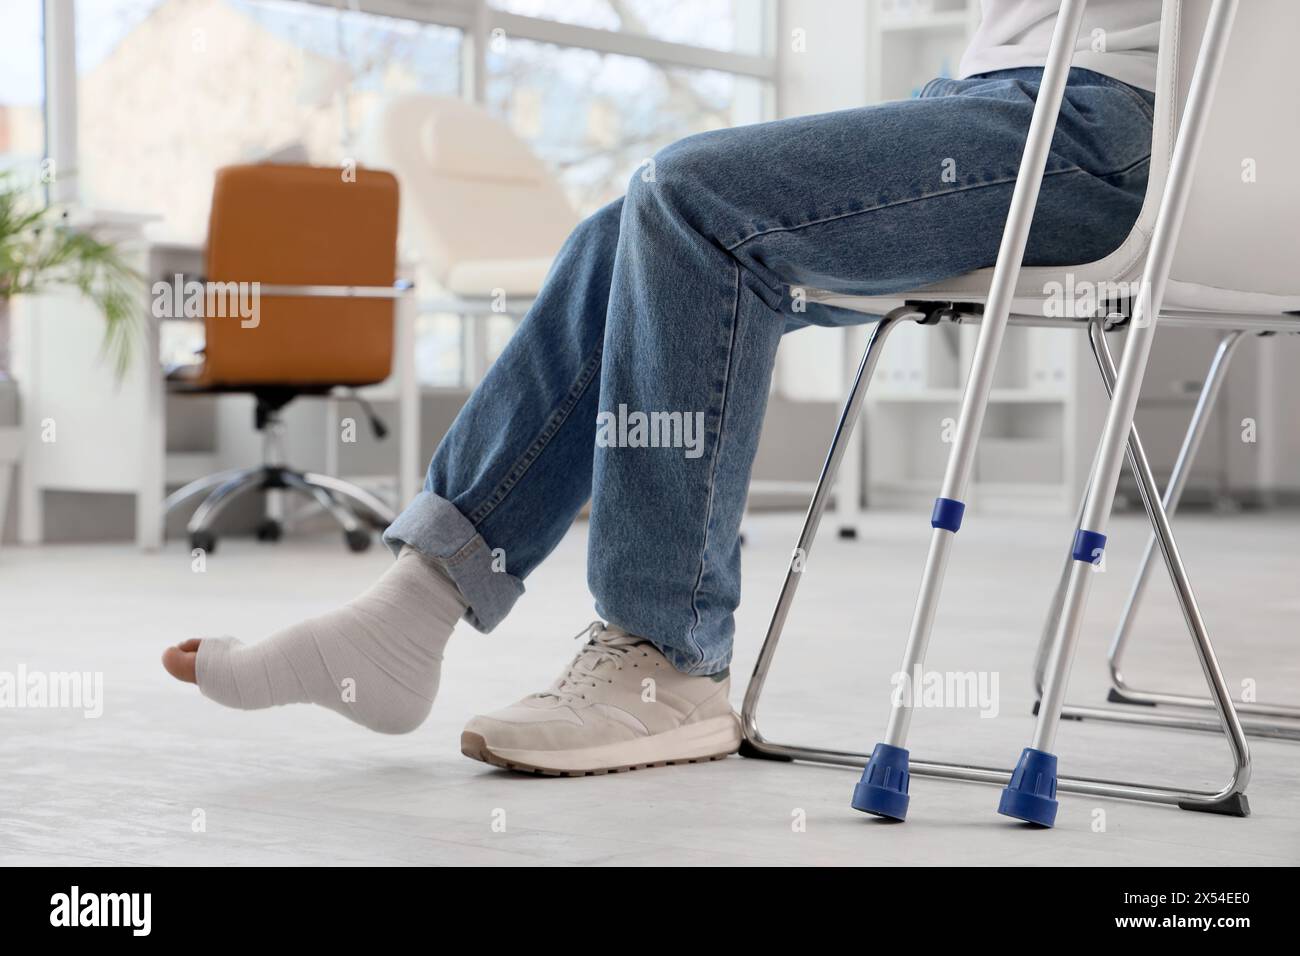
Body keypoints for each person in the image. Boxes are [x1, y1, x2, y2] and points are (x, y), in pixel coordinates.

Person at [162, 0, 1161, 775]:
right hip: (981, 99)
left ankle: (666, 657)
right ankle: (409, 612)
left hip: (1100, 122)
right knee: (623, 233)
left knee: (689, 198)